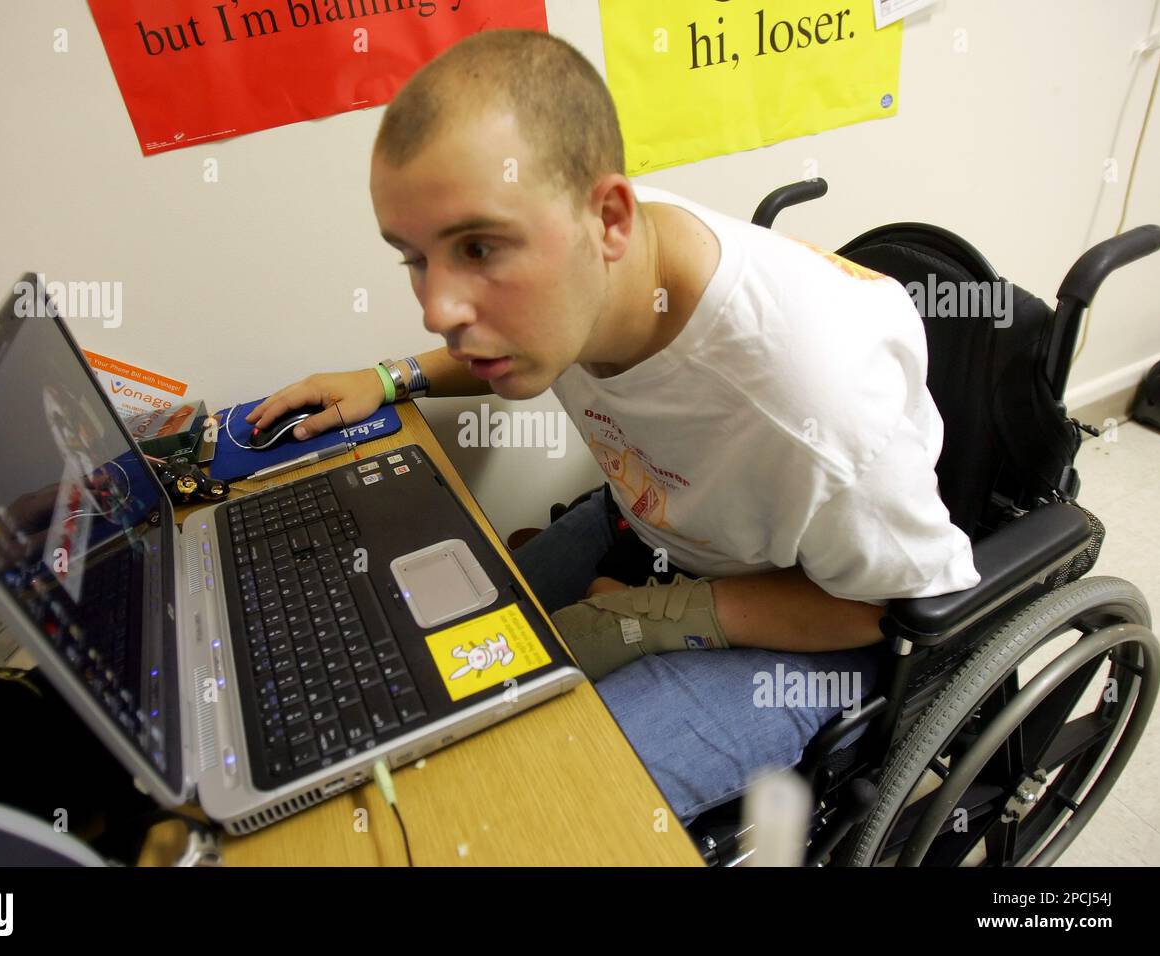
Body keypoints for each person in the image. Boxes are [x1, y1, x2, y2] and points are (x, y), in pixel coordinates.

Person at [247, 29, 979, 824]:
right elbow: (511, 346)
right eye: (416, 259)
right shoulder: (587, 256)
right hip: (662, 523)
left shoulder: (814, 407)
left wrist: (645, 620)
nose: (439, 310)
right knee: (428, 666)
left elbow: (894, 609)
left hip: (819, 627)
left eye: (479, 248)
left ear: (611, 220)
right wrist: (393, 379)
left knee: (534, 806)